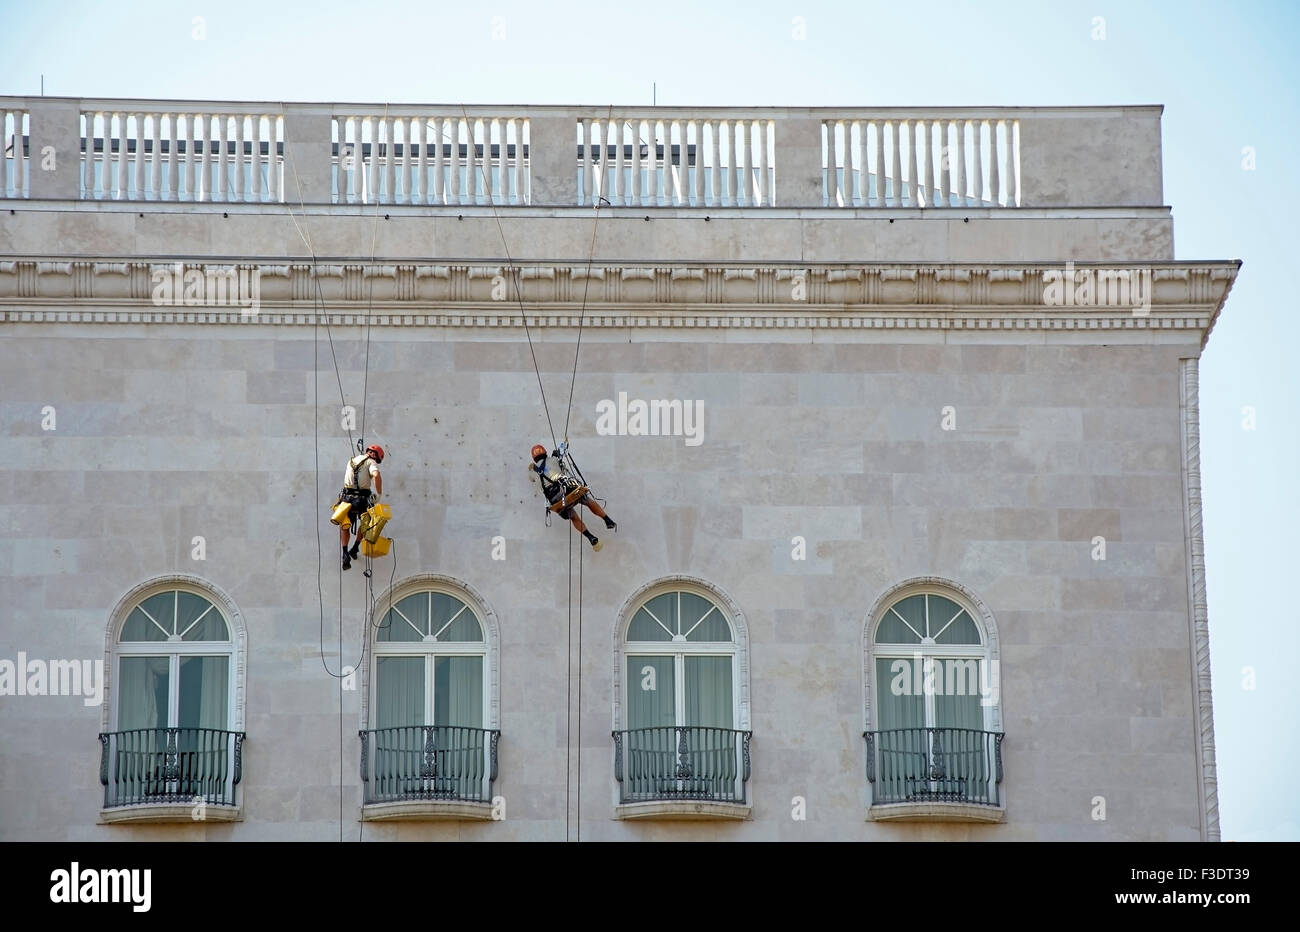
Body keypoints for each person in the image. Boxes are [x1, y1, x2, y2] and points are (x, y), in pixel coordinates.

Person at [529, 443, 615, 551]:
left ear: (534, 458)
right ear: (545, 453)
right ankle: (608, 520)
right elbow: (560, 454)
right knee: (587, 500)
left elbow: (532, 479)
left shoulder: (532, 472)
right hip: (565, 491)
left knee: (573, 516)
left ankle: (591, 538)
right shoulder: (553, 459)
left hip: (555, 501)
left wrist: (532, 468)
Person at [337, 444, 384, 570]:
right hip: (362, 499)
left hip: (347, 498)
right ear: (375, 455)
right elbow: (376, 475)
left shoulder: (351, 460)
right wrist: (378, 494)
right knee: (367, 523)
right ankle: (355, 547)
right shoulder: (371, 462)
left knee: (345, 524)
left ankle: (345, 552)